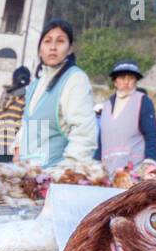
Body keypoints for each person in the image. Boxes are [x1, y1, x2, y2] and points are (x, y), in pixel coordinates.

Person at [16, 18, 97, 166]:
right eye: (47, 41)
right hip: (29, 174)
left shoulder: (75, 80)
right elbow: (27, 127)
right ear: (40, 49)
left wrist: (66, 171)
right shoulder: (34, 85)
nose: (53, 47)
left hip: (53, 178)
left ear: (70, 48)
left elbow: (84, 133)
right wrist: (18, 155)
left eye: (60, 41)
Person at [95, 60, 156, 173]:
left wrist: (150, 160)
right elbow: (101, 138)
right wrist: (95, 162)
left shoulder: (142, 101)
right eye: (122, 77)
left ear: (135, 81)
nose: (126, 81)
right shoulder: (107, 105)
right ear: (115, 81)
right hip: (108, 170)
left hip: (134, 170)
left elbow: (151, 134)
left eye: (131, 78)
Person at [0, 65, 30, 162]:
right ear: (29, 81)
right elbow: (26, 125)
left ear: (12, 80)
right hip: (16, 150)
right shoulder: (26, 100)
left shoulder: (0, 103)